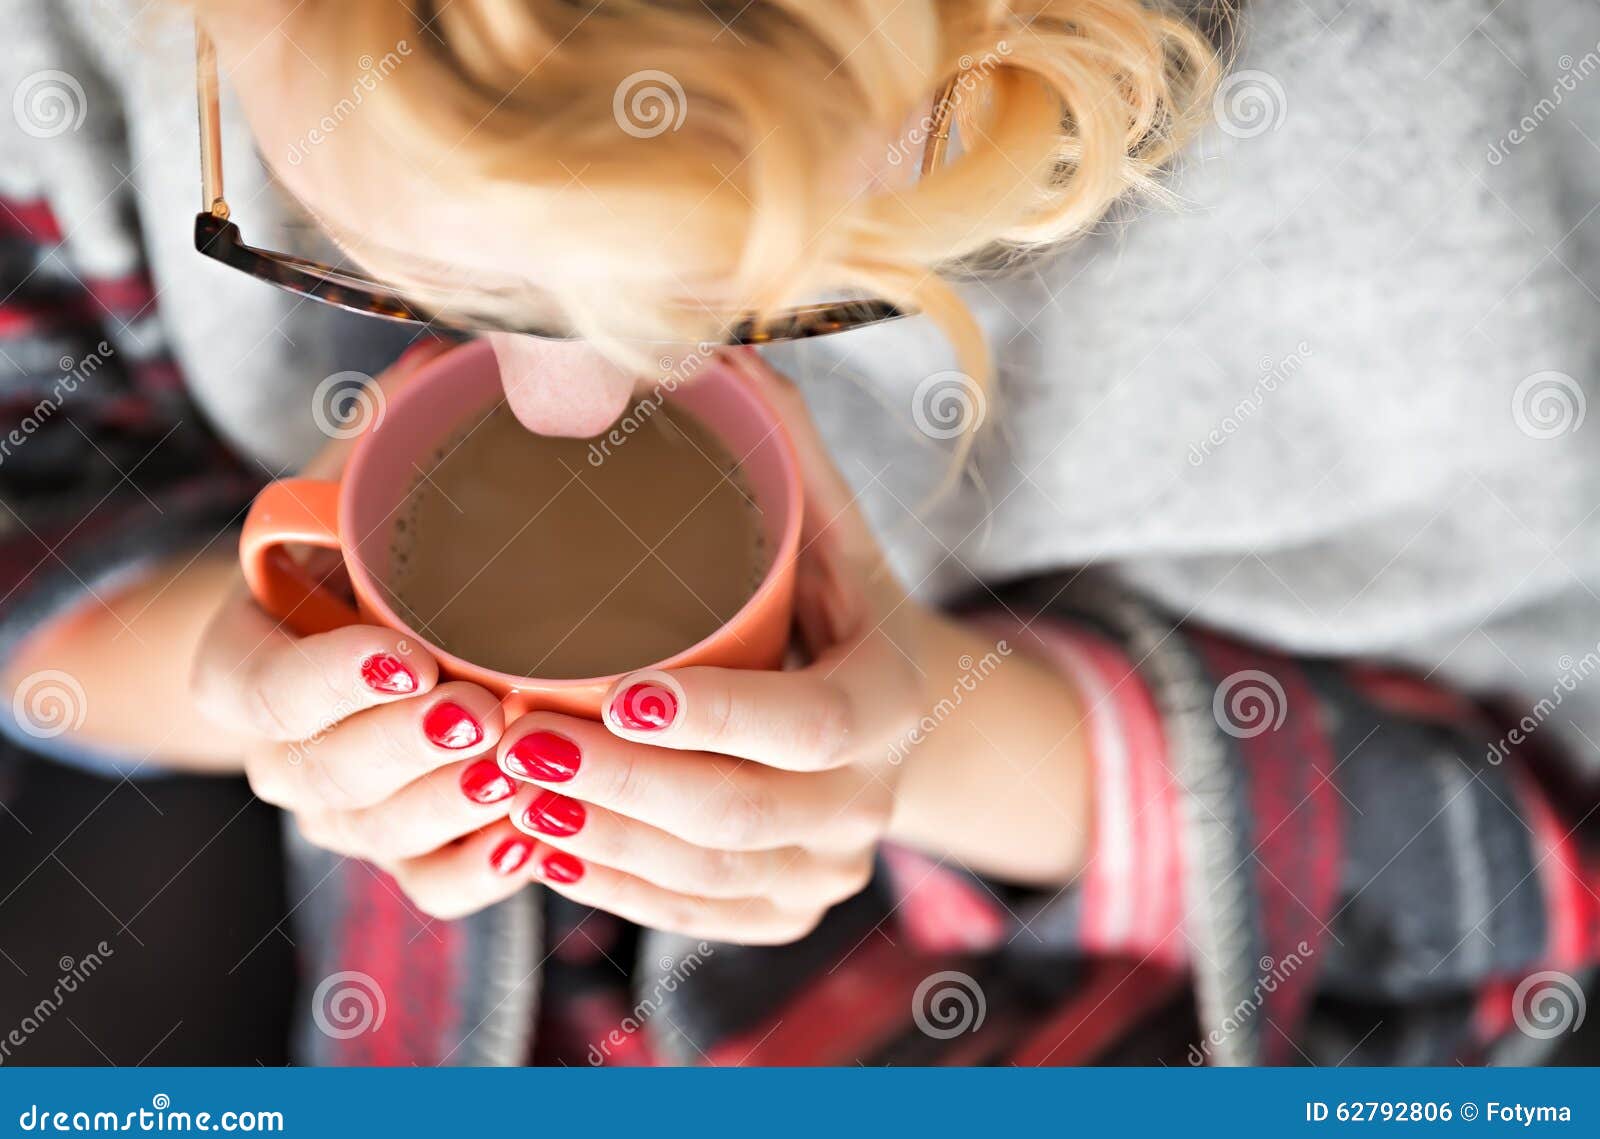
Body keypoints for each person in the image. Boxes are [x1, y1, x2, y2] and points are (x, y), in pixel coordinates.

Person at [1, 0, 1596, 1066]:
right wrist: (230, 673)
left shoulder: (1430, 155)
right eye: (378, 259)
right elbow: (35, 511)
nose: (565, 400)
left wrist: (957, 737)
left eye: (741, 302)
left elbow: (1527, 882)